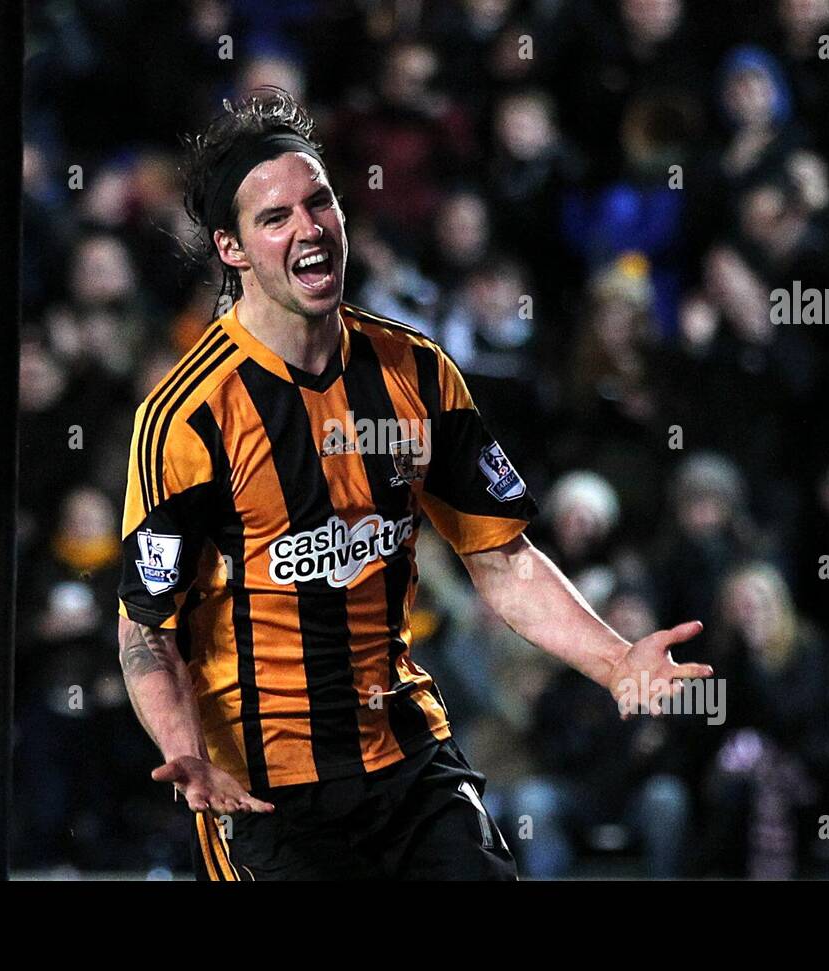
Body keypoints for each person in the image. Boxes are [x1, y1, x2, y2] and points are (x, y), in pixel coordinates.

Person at [115, 89, 712, 881]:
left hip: (405, 759)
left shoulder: (416, 372)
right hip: (263, 792)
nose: (309, 228)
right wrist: (185, 752)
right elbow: (145, 632)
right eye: (275, 218)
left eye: (318, 202)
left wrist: (615, 661)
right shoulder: (188, 419)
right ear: (231, 248)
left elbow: (501, 556)